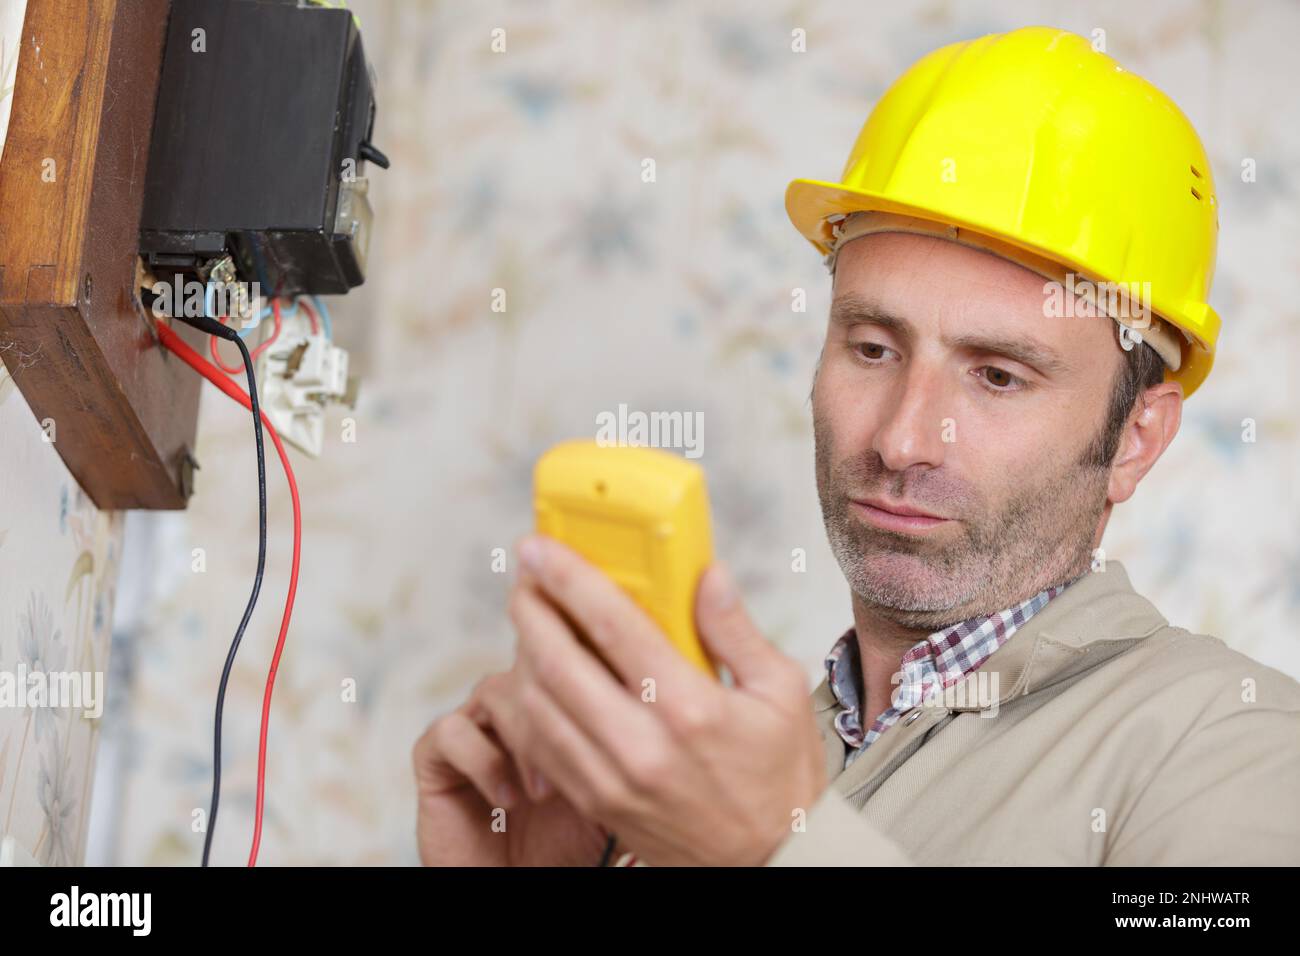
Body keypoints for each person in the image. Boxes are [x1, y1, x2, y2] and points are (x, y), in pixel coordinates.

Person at [412, 26, 1300, 866]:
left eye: (997, 376)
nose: (902, 438)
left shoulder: (1238, 746)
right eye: (873, 348)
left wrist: (774, 846)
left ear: (1137, 437)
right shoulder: (736, 769)